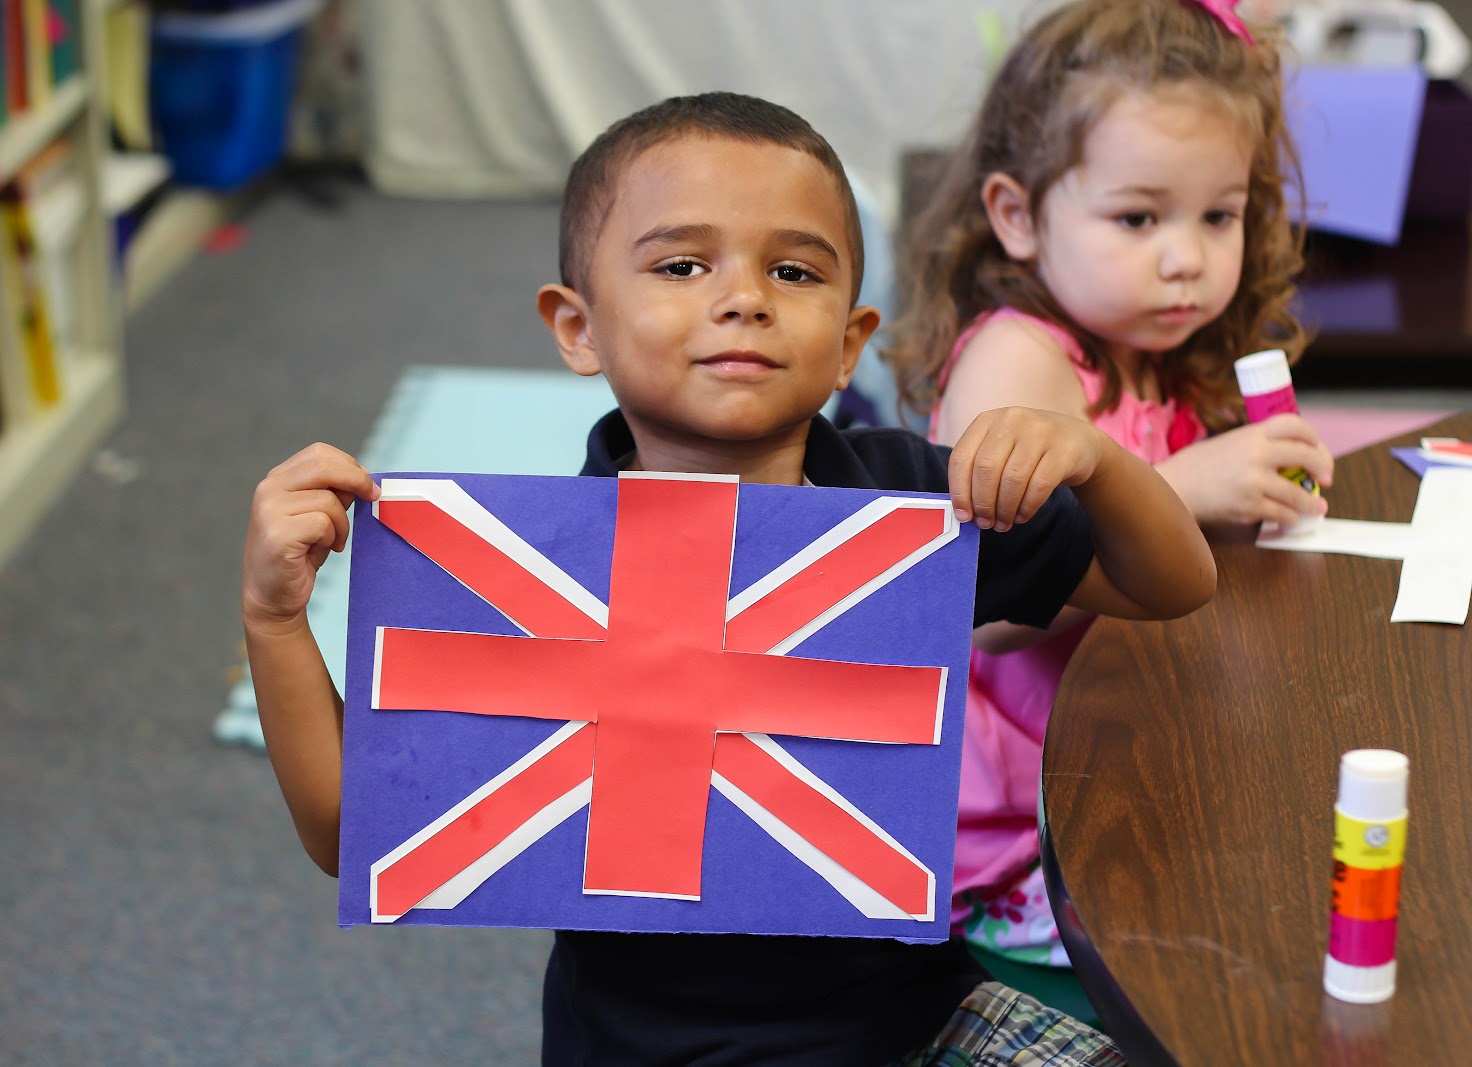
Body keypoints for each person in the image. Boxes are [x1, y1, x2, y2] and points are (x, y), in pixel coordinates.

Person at [243, 91, 1215, 1066]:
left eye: (792, 271)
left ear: (848, 343)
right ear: (577, 328)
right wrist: (274, 619)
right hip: (644, 1049)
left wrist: (1094, 458)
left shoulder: (916, 504)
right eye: (681, 264)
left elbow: (1171, 583)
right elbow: (348, 831)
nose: (743, 295)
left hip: (915, 1019)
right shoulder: (527, 569)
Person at [889, 0, 1333, 970]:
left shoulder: (1145, 341)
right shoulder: (1019, 364)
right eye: (1138, 216)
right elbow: (981, 609)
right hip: (1016, 811)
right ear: (1014, 214)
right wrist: (1178, 485)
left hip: (1129, 733)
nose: (1186, 259)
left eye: (1219, 215)